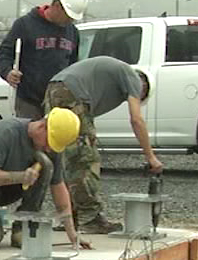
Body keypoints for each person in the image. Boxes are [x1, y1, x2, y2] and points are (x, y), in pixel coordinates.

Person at [43, 55, 163, 234]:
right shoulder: (133, 78)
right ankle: (90, 218)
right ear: (143, 87)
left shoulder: (111, 76)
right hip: (72, 93)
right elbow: (136, 120)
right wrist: (150, 157)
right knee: (85, 158)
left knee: (66, 155)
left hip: (55, 88)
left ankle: (70, 216)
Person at [0, 107, 90, 250]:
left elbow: (58, 187)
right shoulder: (6, 132)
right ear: (41, 127)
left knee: (46, 166)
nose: (49, 149)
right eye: (48, 143)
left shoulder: (50, 148)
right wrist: (20, 177)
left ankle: (22, 228)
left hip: (3, 189)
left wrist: (72, 234)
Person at [0, 0, 88, 119]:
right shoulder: (25, 25)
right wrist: (8, 72)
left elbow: (72, 65)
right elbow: (4, 53)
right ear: (57, 6)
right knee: (31, 139)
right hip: (29, 102)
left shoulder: (72, 32)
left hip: (59, 103)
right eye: (69, 16)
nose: (70, 21)